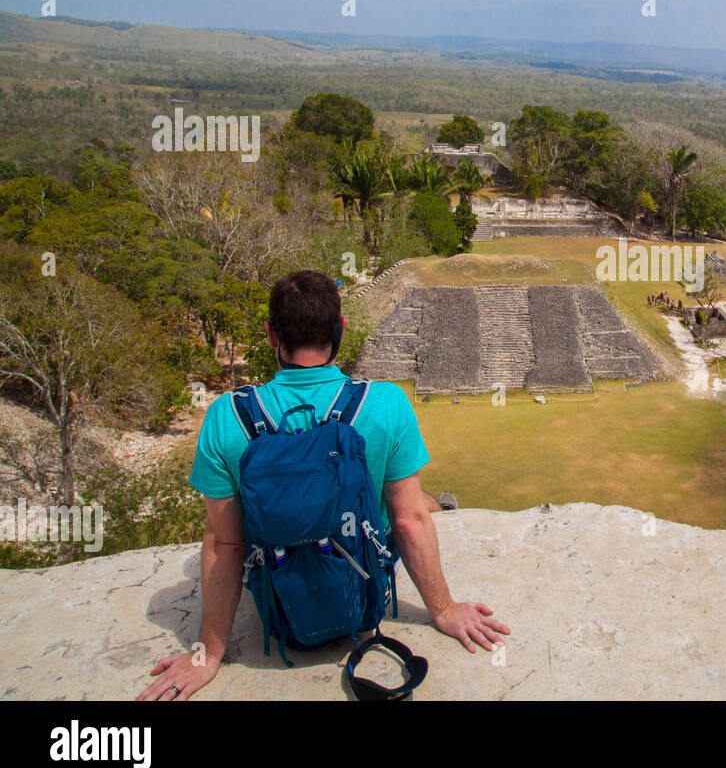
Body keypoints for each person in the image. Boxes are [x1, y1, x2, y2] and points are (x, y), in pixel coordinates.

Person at [137, 270, 509, 700]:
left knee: (215, 530)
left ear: (271, 333)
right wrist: (443, 611)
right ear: (341, 328)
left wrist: (208, 654)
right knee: (417, 500)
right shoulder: (386, 403)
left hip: (281, 614)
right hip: (362, 602)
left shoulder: (227, 416)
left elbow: (227, 546)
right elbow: (408, 521)